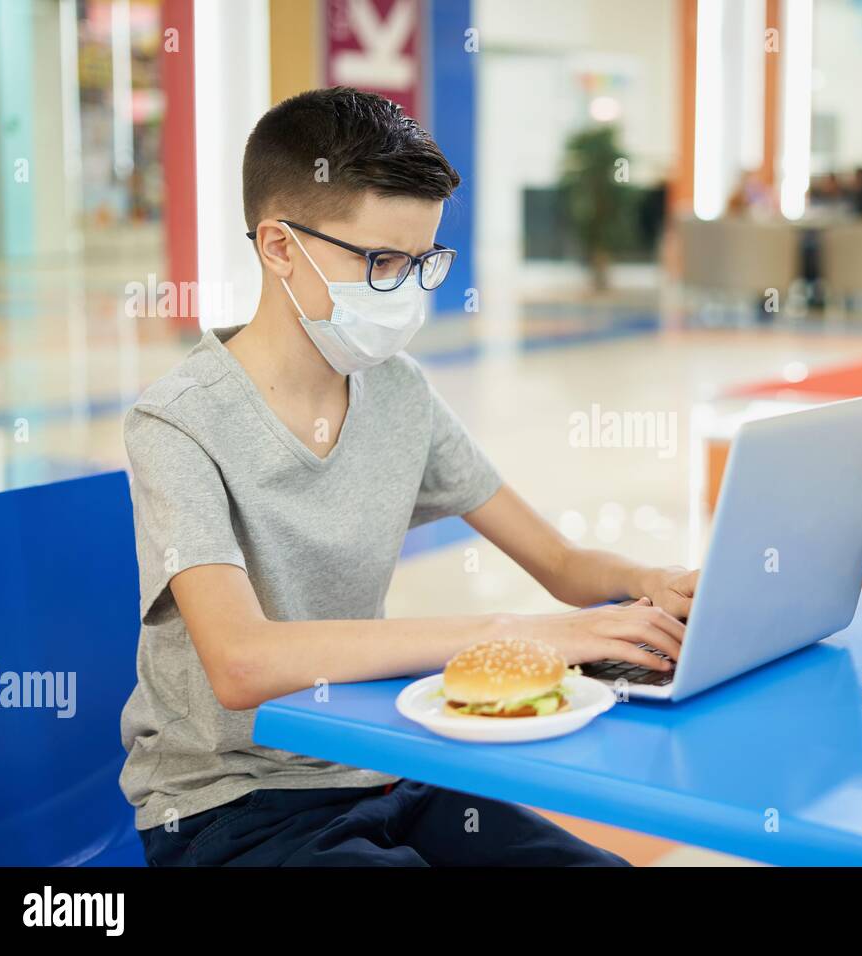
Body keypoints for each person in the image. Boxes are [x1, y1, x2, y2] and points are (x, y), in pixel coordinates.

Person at [120, 87, 699, 867]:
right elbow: (242, 663)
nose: (408, 289)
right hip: (233, 805)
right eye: (381, 262)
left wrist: (653, 582)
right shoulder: (178, 422)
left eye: (423, 261)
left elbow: (561, 564)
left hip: (390, 766)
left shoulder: (398, 392)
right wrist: (518, 636)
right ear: (279, 247)